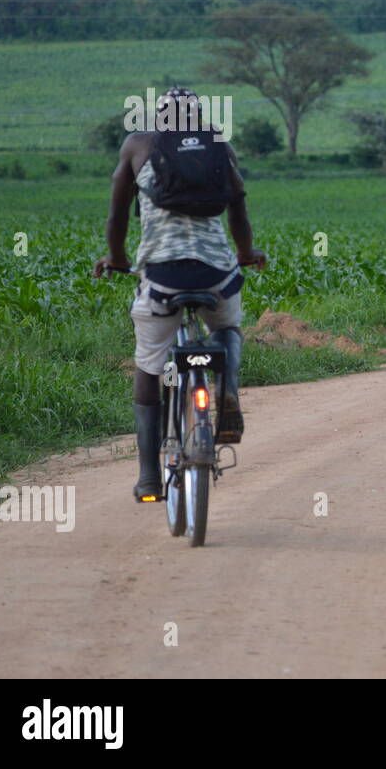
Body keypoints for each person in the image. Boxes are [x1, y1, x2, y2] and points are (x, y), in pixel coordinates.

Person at [92, 88, 266, 502]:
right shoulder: (218, 144)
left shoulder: (137, 145)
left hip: (162, 277)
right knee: (227, 326)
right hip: (215, 273)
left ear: (158, 117)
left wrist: (117, 258)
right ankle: (226, 390)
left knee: (148, 366)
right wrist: (246, 253)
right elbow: (238, 207)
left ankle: (149, 478)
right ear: (199, 116)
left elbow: (117, 214)